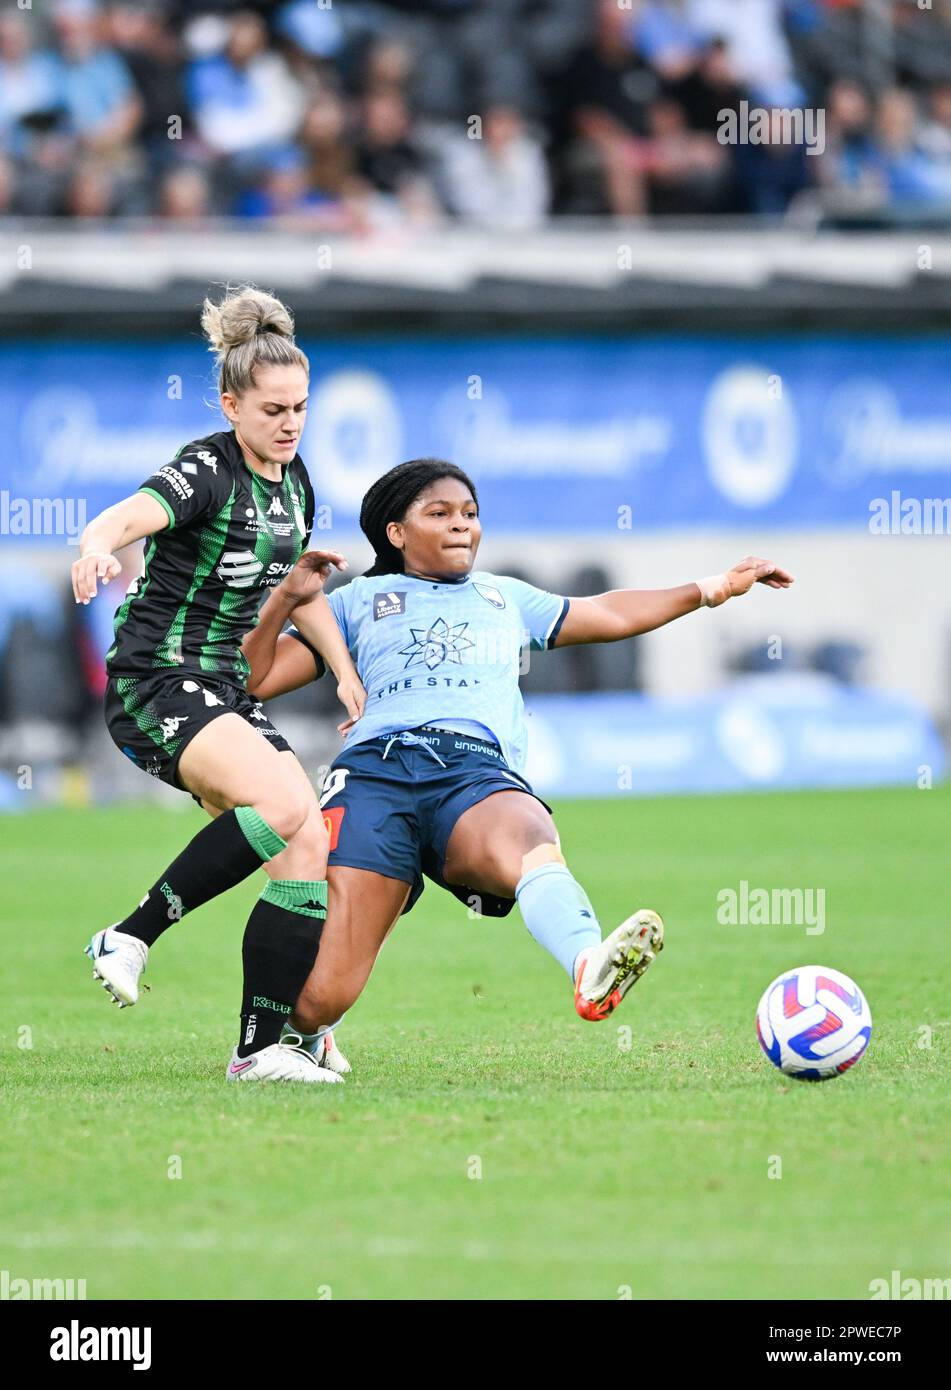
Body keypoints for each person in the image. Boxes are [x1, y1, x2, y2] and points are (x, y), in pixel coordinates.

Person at [241, 458, 793, 1068]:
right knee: (322, 998)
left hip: (473, 772)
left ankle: (588, 963)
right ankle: (304, 1034)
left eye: (471, 515)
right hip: (375, 774)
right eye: (441, 514)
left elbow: (608, 614)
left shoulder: (505, 597)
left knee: (533, 839)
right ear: (395, 532)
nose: (462, 528)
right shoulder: (357, 601)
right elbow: (258, 677)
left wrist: (712, 589)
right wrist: (284, 601)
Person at [71, 285, 365, 1085]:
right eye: (273, 409)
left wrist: (342, 672)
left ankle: (263, 1048)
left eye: (300, 406)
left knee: (306, 842)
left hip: (223, 689)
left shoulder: (295, 484)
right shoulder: (206, 468)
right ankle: (128, 934)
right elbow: (126, 517)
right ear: (232, 405)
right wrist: (96, 548)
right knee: (281, 803)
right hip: (154, 679)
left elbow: (294, 595)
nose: (290, 422)